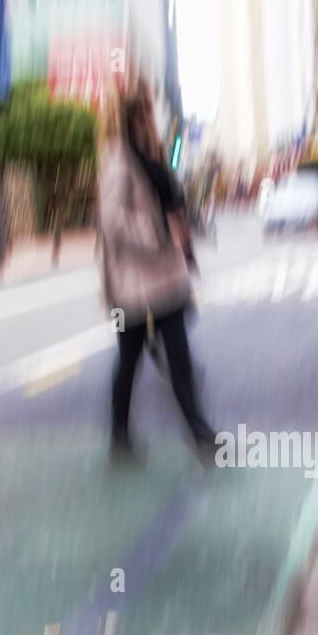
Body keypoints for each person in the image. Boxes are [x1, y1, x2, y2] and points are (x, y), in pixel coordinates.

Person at [97, 89, 215, 462]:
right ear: (135, 119)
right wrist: (160, 233)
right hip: (135, 286)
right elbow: (112, 221)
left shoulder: (151, 156)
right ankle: (120, 437)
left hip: (164, 279)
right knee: (129, 363)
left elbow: (168, 202)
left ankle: (200, 435)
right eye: (148, 114)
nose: (154, 120)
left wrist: (185, 227)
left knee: (176, 356)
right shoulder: (120, 160)